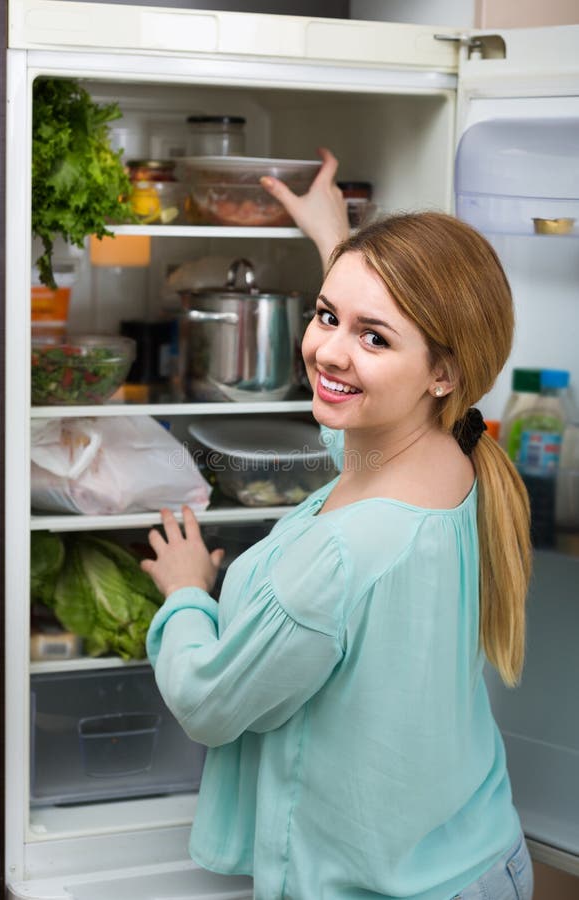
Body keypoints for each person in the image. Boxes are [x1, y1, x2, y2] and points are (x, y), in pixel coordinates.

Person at [142, 149, 534, 899]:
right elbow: (356, 417)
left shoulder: (338, 558)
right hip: (484, 862)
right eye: (326, 316)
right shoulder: (459, 460)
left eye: (372, 337)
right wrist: (336, 237)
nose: (327, 349)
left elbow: (209, 704)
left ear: (442, 374)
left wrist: (187, 593)